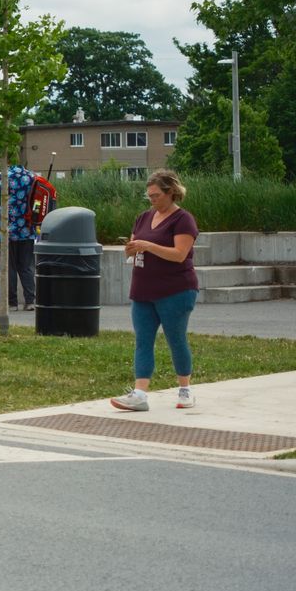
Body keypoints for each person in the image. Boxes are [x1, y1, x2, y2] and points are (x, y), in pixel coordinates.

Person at [112, 170, 201, 413]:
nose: (152, 199)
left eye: (156, 195)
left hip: (176, 290)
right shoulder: (142, 218)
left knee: (176, 338)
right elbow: (134, 245)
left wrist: (148, 246)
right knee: (143, 341)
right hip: (143, 290)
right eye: (148, 195)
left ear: (171, 192)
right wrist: (131, 249)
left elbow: (179, 254)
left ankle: (185, 389)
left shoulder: (183, 220)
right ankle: (140, 393)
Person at [0, 163, 39, 311]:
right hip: (27, 230)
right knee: (27, 267)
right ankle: (30, 302)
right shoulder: (31, 177)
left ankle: (11, 303)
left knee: (8, 268)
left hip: (5, 231)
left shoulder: (0, 177)